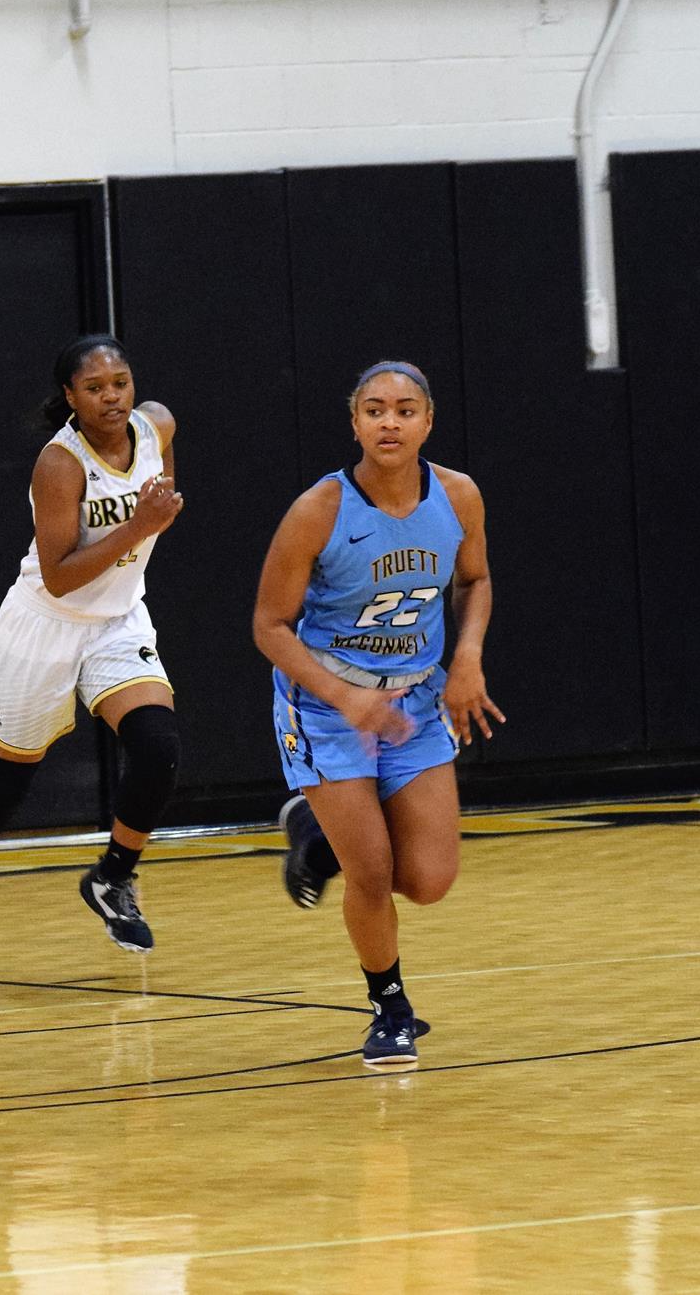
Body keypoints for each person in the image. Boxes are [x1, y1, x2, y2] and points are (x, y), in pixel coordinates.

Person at [252, 360, 502, 1067]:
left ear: (428, 421)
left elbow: (475, 578)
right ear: (354, 421)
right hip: (327, 703)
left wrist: (468, 656)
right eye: (374, 409)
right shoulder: (320, 510)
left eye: (404, 409)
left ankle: (315, 830)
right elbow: (270, 626)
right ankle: (389, 1004)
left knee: (427, 879)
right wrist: (348, 697)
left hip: (416, 699)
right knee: (372, 871)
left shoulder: (458, 496)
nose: (389, 421)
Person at [0, 335, 184, 979]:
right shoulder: (59, 465)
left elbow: (155, 505)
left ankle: (112, 876)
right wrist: (139, 527)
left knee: (158, 746)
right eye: (94, 387)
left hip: (117, 620)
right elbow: (61, 576)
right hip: (46, 624)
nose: (111, 395)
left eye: (119, 381)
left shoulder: (157, 426)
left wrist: (148, 523)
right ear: (70, 397)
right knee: (8, 782)